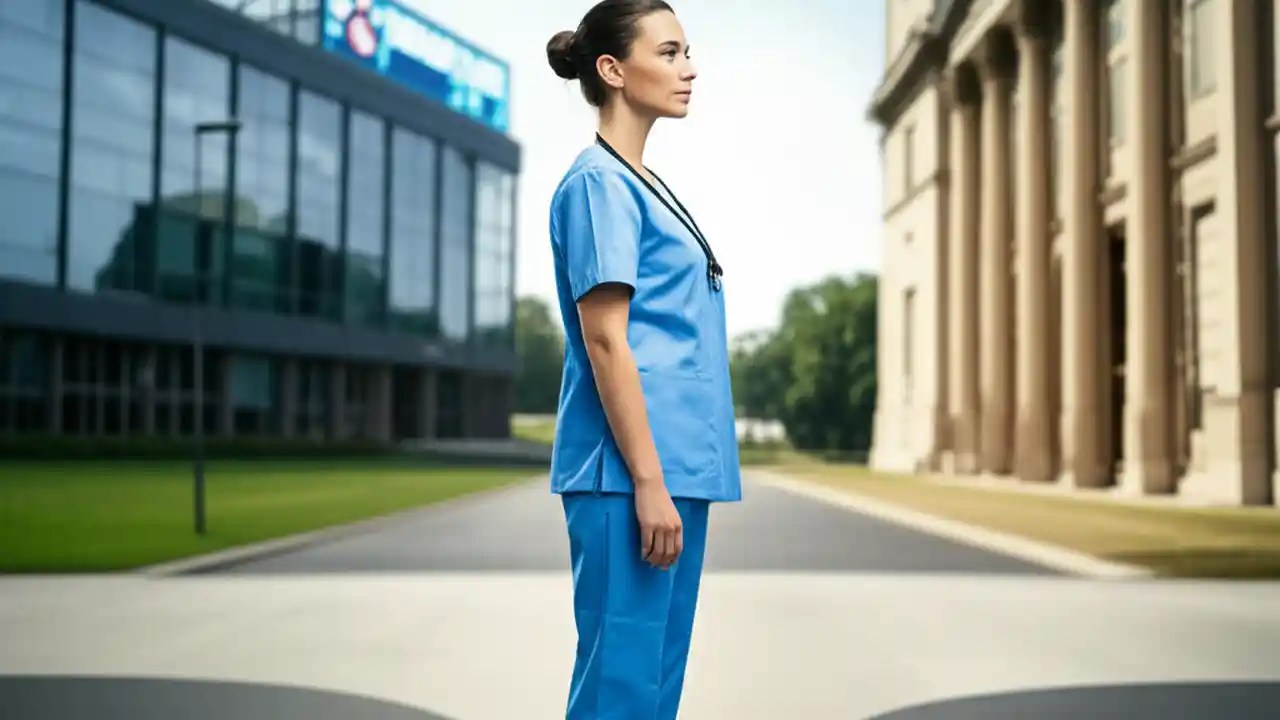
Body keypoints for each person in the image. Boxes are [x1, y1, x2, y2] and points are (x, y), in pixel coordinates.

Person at [545, 1, 742, 717]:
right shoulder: (598, 184)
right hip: (627, 476)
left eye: (687, 52)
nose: (689, 68)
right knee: (619, 692)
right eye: (669, 52)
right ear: (612, 69)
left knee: (654, 689)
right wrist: (648, 483)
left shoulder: (639, 182)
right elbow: (605, 339)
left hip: (670, 469)